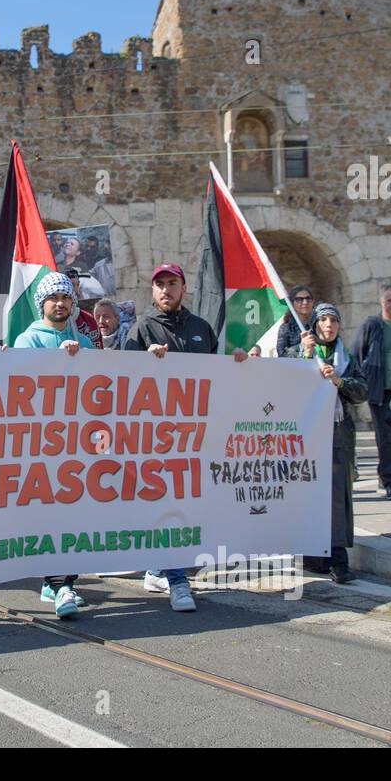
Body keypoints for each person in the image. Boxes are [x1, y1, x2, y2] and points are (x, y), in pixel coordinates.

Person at [124, 262, 248, 611]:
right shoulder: (142, 329)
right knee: (168, 504)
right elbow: (124, 383)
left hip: (197, 437)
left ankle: (156, 569)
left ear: (183, 288)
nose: (166, 289)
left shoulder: (201, 328)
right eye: (160, 284)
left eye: (172, 283)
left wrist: (237, 363)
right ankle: (178, 580)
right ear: (152, 291)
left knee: (188, 506)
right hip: (156, 439)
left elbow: (215, 378)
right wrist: (146, 363)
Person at [13, 272, 93, 618]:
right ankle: (61, 586)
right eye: (53, 299)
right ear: (42, 304)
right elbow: (20, 386)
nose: (60, 304)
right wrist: (57, 362)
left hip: (78, 445)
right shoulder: (27, 340)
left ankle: (58, 581)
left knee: (74, 516)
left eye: (65, 298)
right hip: (43, 446)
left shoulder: (85, 344)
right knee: (51, 515)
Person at [290, 304, 368, 582]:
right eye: (322, 319)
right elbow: (285, 385)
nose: (328, 325)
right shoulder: (300, 353)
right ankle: (312, 556)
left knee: (336, 497)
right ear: (313, 324)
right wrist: (305, 356)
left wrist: (339, 381)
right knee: (308, 494)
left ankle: (338, 559)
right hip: (306, 435)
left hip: (337, 434)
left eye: (333, 320)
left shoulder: (346, 358)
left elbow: (361, 391)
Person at [351, 283, 391, 499]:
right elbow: (356, 354)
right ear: (381, 301)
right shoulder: (373, 325)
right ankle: (389, 482)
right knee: (386, 437)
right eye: (390, 300)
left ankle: (387, 477)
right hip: (381, 391)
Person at [275, 285, 314, 357]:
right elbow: (282, 355)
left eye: (308, 298)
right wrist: (301, 346)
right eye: (299, 299)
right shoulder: (285, 328)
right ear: (292, 303)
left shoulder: (319, 324)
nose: (305, 302)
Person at [64, 268, 103, 342]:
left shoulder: (87, 319)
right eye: (71, 285)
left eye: (77, 285)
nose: (77, 292)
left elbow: (98, 351)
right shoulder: (51, 323)